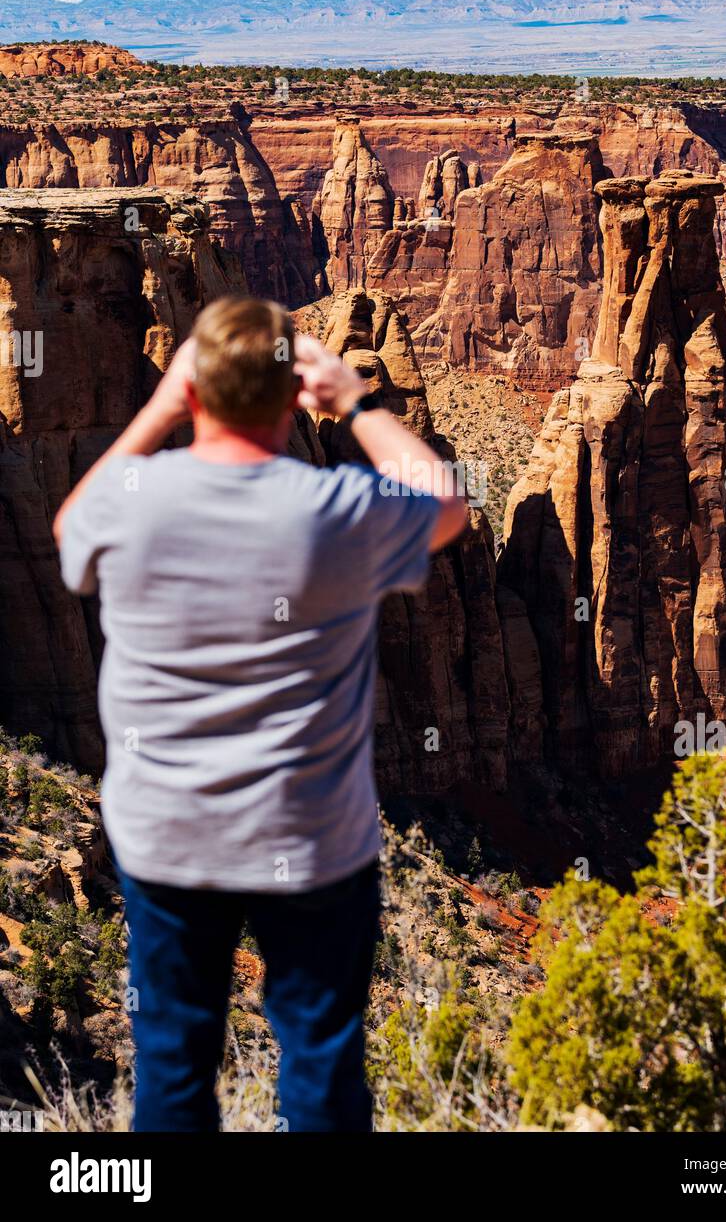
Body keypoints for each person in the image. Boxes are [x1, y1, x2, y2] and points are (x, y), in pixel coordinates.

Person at [53, 297, 467, 1133]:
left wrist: (165, 402)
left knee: (172, 1062)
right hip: (311, 837)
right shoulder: (339, 510)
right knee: (319, 1054)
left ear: (196, 392)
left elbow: (68, 531)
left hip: (168, 836)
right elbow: (448, 503)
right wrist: (354, 400)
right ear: (293, 400)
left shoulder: (133, 503)